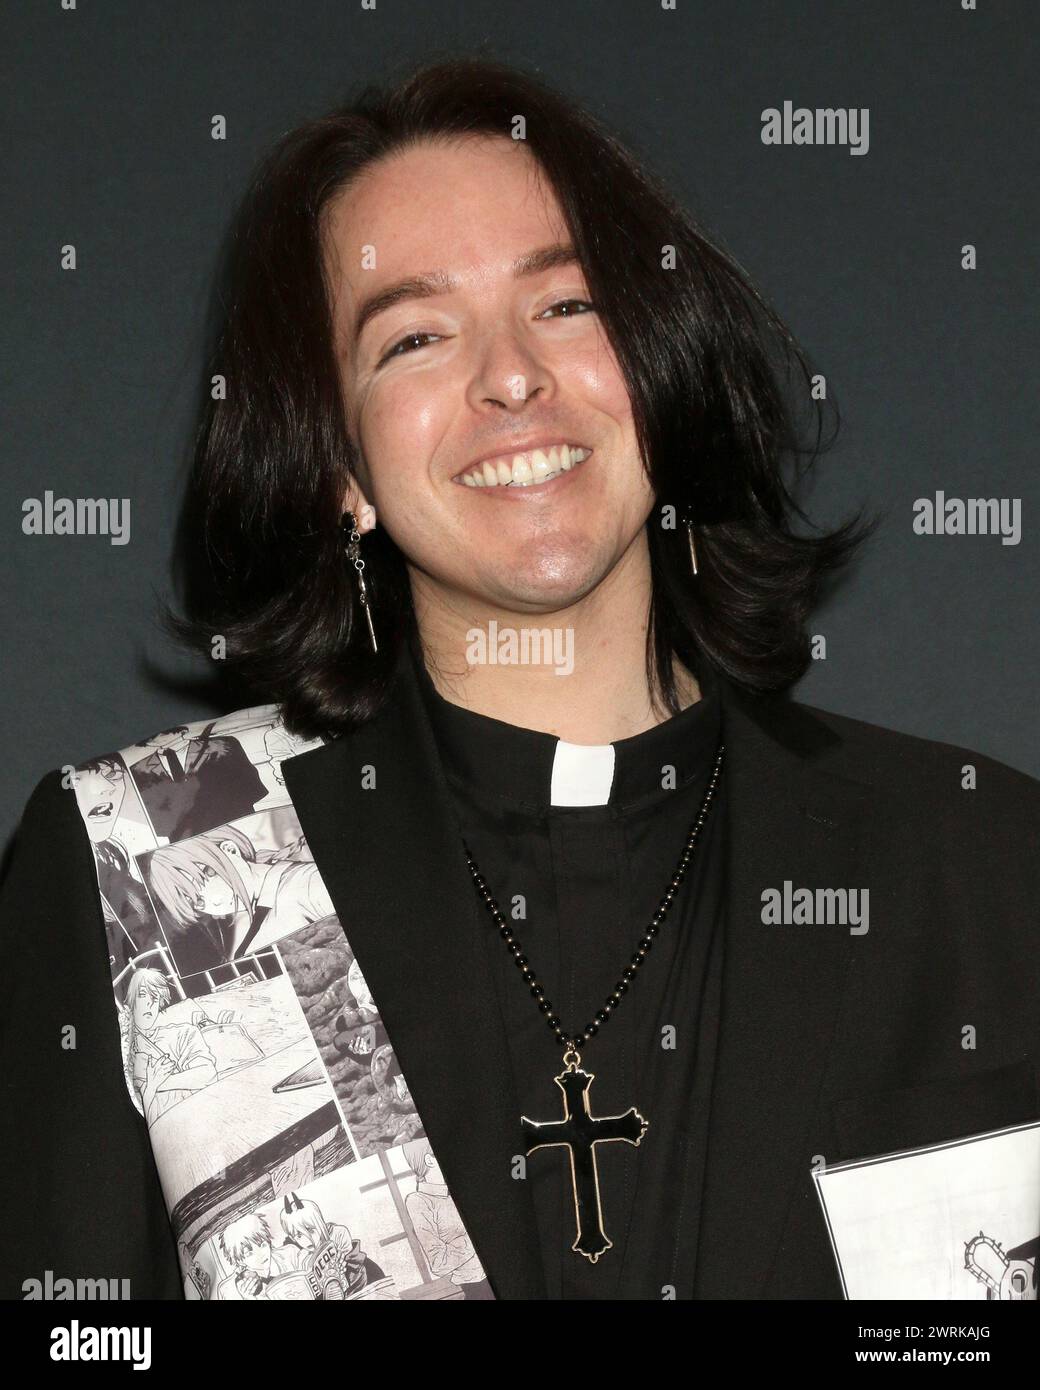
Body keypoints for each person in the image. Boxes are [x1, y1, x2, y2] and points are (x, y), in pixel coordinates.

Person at [1, 56, 1037, 1303]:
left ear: (659, 364)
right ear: (338, 463)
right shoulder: (136, 865)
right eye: (416, 335)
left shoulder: (984, 858)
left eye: (565, 305)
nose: (509, 376)